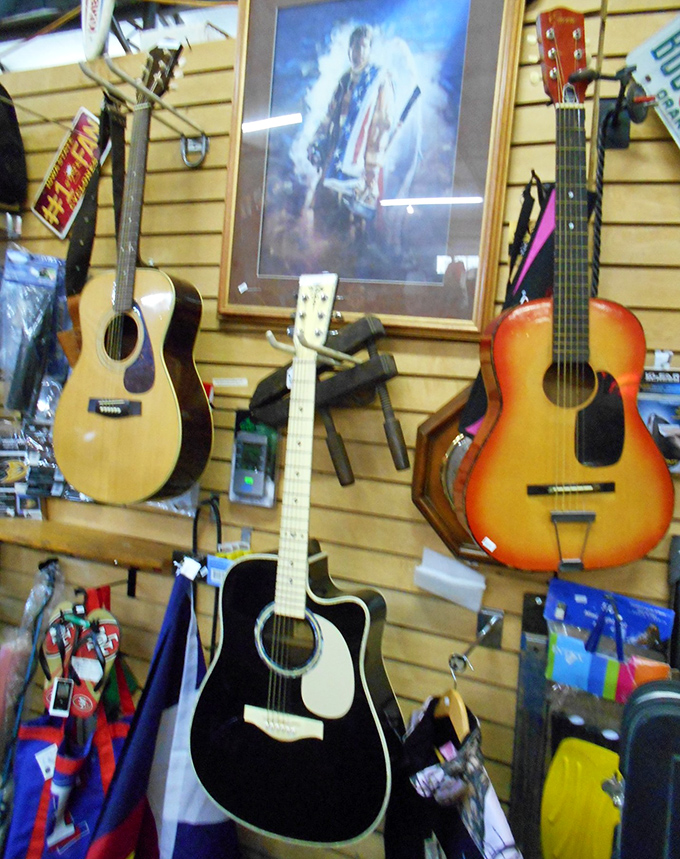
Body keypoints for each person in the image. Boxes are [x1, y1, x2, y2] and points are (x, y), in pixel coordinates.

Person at [307, 24, 395, 234]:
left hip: (363, 160)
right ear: (349, 49)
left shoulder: (378, 80)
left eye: (363, 47)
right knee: (325, 209)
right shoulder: (345, 80)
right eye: (355, 47)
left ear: (369, 49)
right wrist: (317, 141)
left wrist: (371, 167)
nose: (358, 52)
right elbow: (329, 115)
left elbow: (381, 124)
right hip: (336, 155)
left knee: (356, 218)